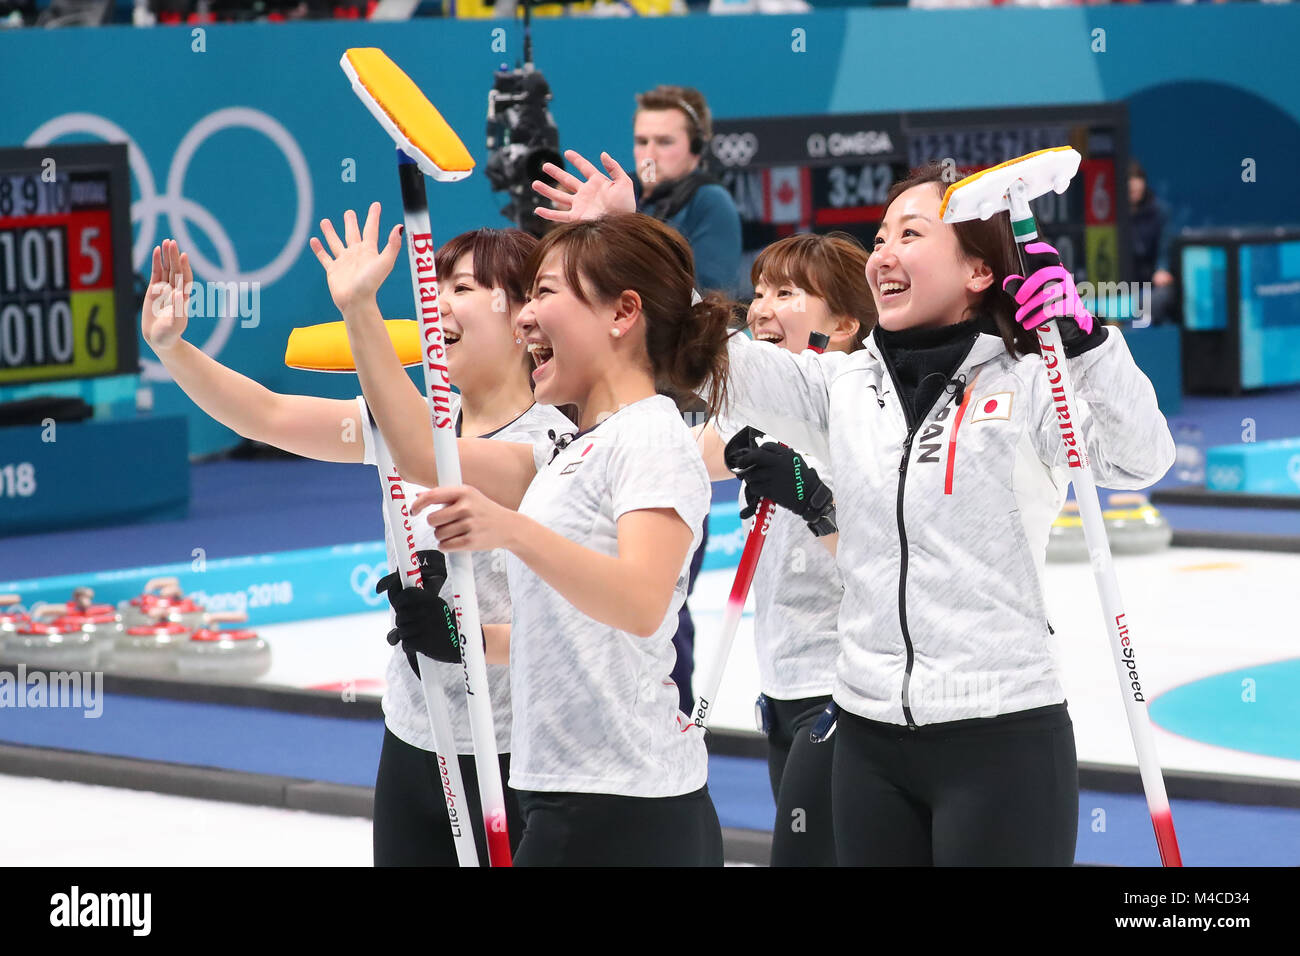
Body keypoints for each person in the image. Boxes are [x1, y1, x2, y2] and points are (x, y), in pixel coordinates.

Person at [715, 162, 1175, 865]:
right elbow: (709, 363)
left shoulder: (1030, 382)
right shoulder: (843, 385)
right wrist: (623, 241)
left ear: (978, 271)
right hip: (867, 736)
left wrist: (1087, 344)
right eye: (878, 238)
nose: (883, 254)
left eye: (911, 234)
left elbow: (1139, 458)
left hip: (1000, 735)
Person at [313, 205, 728, 866]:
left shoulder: (650, 437)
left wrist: (511, 531)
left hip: (624, 802)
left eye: (545, 292)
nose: (525, 316)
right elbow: (570, 623)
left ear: (622, 314)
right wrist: (466, 641)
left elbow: (641, 604)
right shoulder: (578, 453)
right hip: (565, 791)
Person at [140, 229, 569, 866]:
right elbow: (269, 416)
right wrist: (173, 348)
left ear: (521, 317)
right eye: (435, 287)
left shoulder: (554, 447)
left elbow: (567, 613)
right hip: (416, 738)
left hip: (517, 746)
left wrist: (359, 310)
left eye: (464, 288)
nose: (438, 303)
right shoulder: (413, 420)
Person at [694, 232, 875, 866]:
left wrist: (816, 497)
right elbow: (676, 459)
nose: (761, 307)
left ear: (846, 324)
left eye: (787, 293)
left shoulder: (859, 411)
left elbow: (888, 569)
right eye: (761, 291)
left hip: (846, 691)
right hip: (783, 692)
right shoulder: (760, 412)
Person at [1128, 158, 1175, 325]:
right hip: (1122, 285)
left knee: (1150, 302)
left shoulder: (1160, 212)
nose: (1133, 184)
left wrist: (1162, 269)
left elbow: (1165, 246)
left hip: (1154, 284)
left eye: (1137, 178)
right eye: (1129, 179)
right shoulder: (1112, 217)